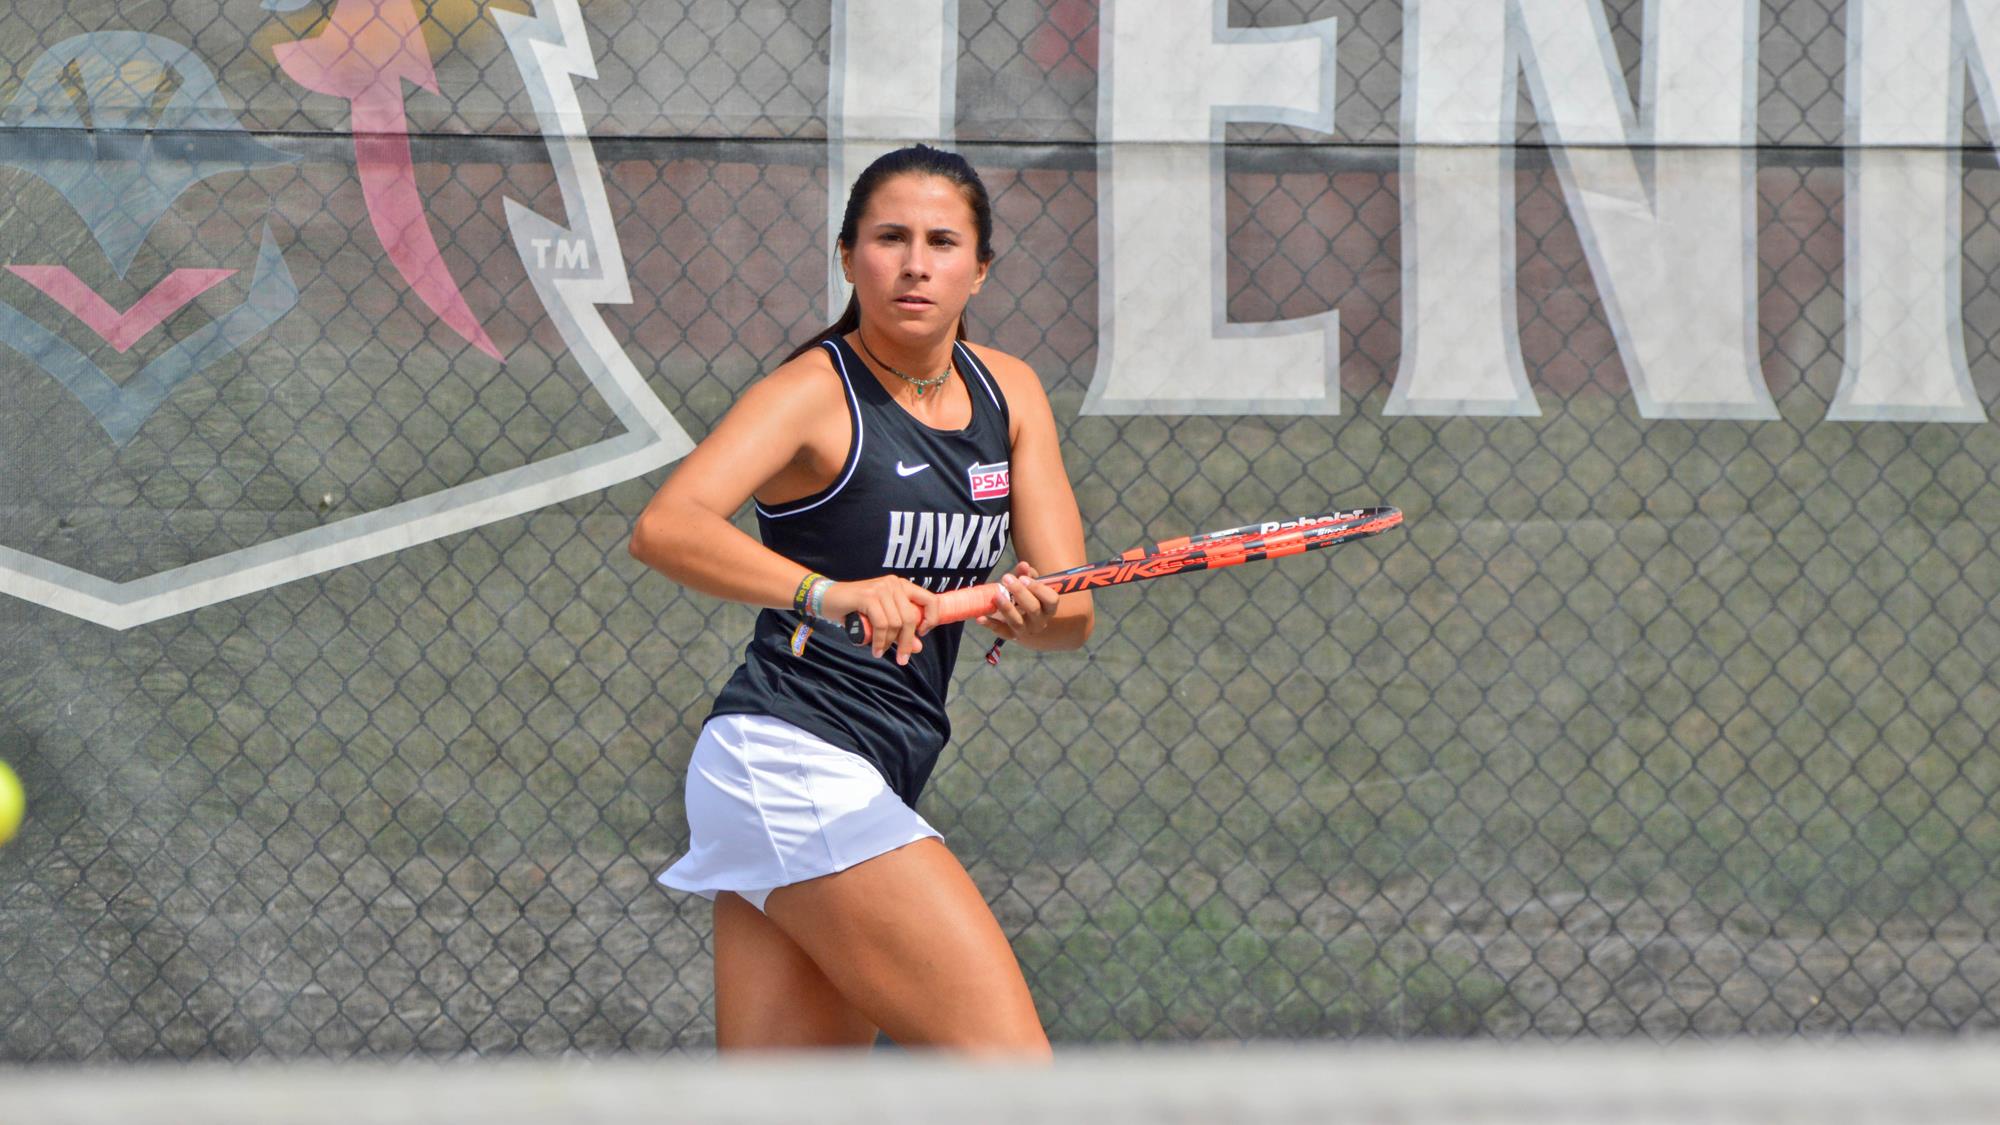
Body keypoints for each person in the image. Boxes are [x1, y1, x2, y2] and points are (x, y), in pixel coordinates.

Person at [628, 145, 1092, 1057]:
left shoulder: (1013, 393)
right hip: (787, 752)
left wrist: (1029, 609)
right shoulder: (812, 390)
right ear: (849, 258)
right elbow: (665, 526)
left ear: (979, 267)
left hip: (880, 758)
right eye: (889, 238)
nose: (916, 263)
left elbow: (1071, 611)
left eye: (942, 241)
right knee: (1016, 1073)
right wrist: (828, 592)